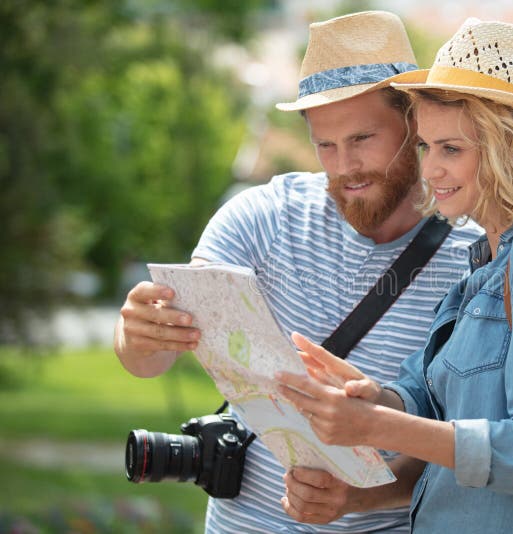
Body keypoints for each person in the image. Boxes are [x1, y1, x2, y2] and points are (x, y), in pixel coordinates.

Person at [113, 11, 482, 533]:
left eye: (362, 139)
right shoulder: (263, 217)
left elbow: (471, 440)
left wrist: (361, 497)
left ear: (414, 124)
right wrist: (139, 335)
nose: (344, 166)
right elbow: (154, 357)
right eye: (325, 146)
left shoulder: (477, 252)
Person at [277, 18, 513, 533]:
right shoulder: (488, 260)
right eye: (425, 147)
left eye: (451, 150)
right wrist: (371, 396)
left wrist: (376, 423)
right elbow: (431, 396)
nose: (430, 170)